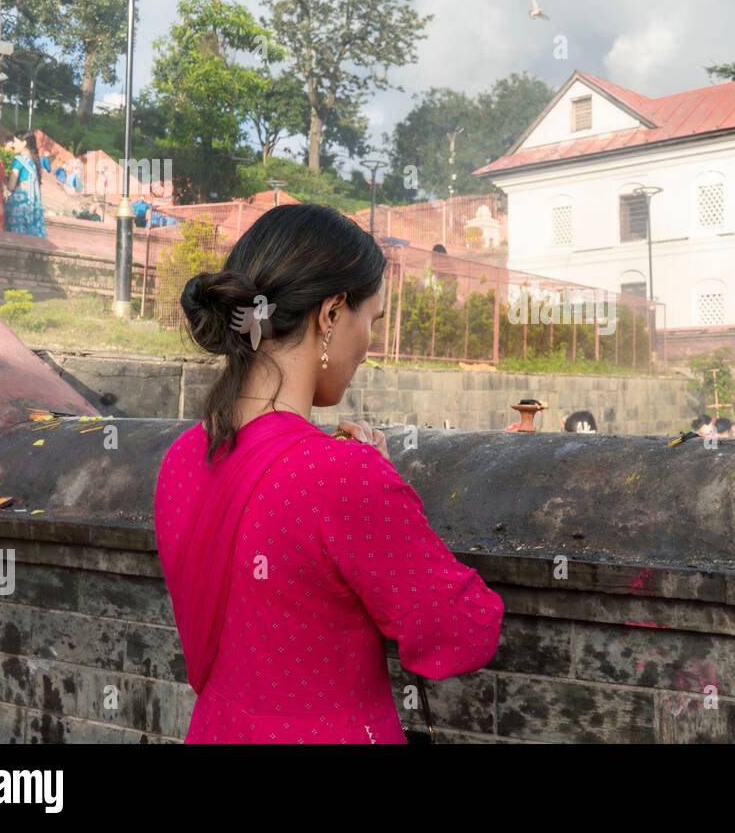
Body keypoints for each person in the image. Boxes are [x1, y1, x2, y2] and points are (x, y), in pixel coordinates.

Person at [154, 203, 503, 743]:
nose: (369, 346)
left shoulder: (182, 458)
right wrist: (383, 489)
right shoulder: (342, 476)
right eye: (372, 320)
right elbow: (460, 632)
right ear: (332, 314)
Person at [3, 132, 48, 237]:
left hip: (18, 205)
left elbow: (11, 186)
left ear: (23, 143)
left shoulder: (18, 160)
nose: (13, 145)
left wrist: (2, 186)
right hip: (32, 207)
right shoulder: (33, 162)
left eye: (15, 142)